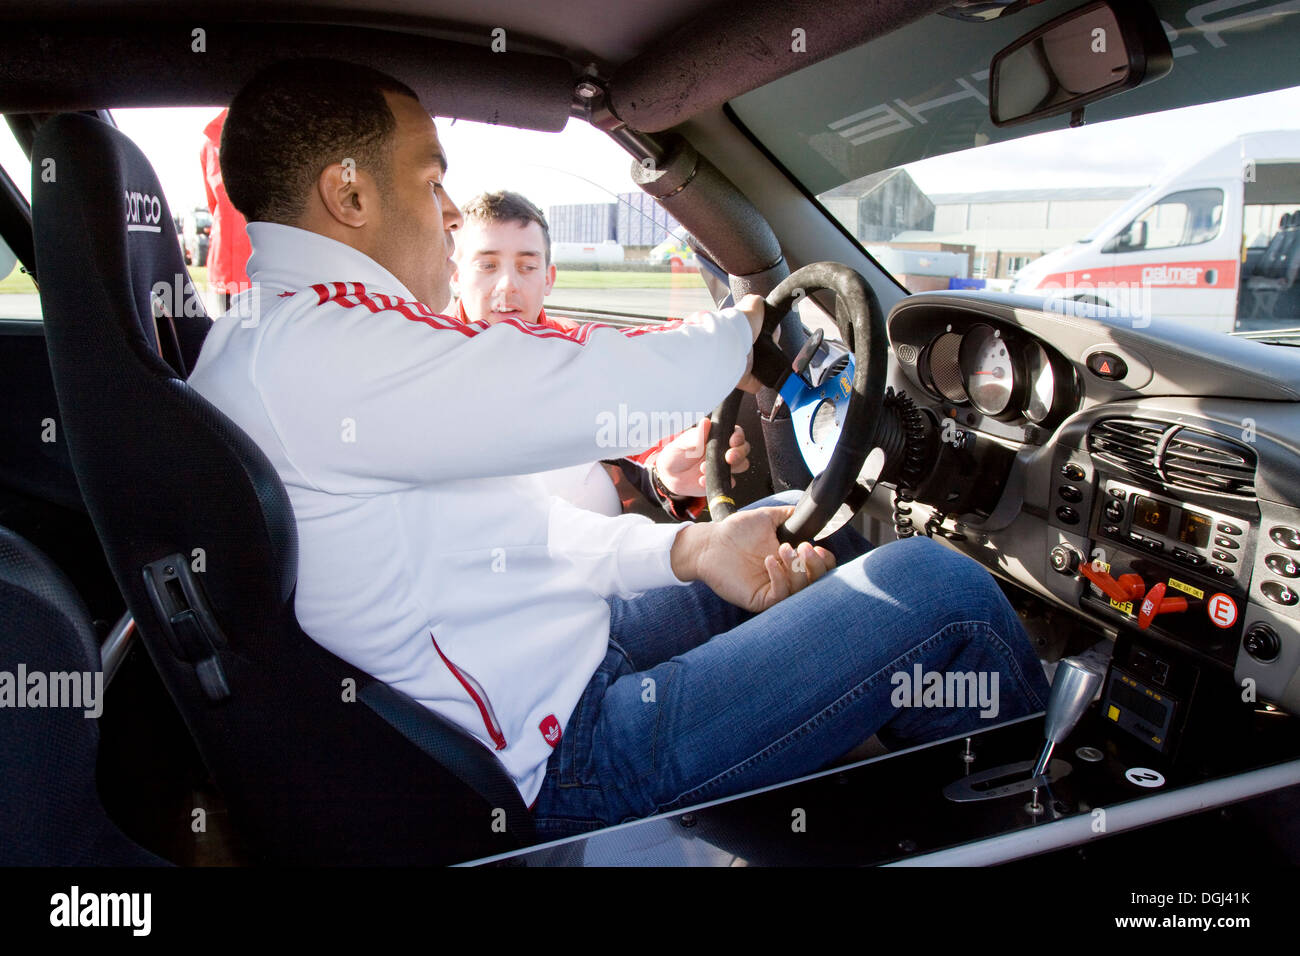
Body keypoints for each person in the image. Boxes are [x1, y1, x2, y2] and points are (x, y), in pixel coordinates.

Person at [189, 58, 1050, 840]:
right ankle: (1024, 839)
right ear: (348, 194)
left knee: (795, 525)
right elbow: (585, 388)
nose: (449, 214)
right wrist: (740, 332)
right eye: (432, 181)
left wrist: (690, 546)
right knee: (943, 591)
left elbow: (512, 535)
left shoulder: (267, 336)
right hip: (568, 757)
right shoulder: (322, 346)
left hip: (557, 668)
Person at [451, 188, 748, 521]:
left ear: (548, 279)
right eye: (487, 265)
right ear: (456, 276)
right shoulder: (427, 366)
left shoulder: (576, 351)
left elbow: (634, 452)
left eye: (527, 266)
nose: (507, 284)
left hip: (614, 556)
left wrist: (666, 479)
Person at [200, 109, 252, 312]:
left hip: (261, 265)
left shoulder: (273, 134)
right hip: (227, 266)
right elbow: (214, 206)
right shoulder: (209, 146)